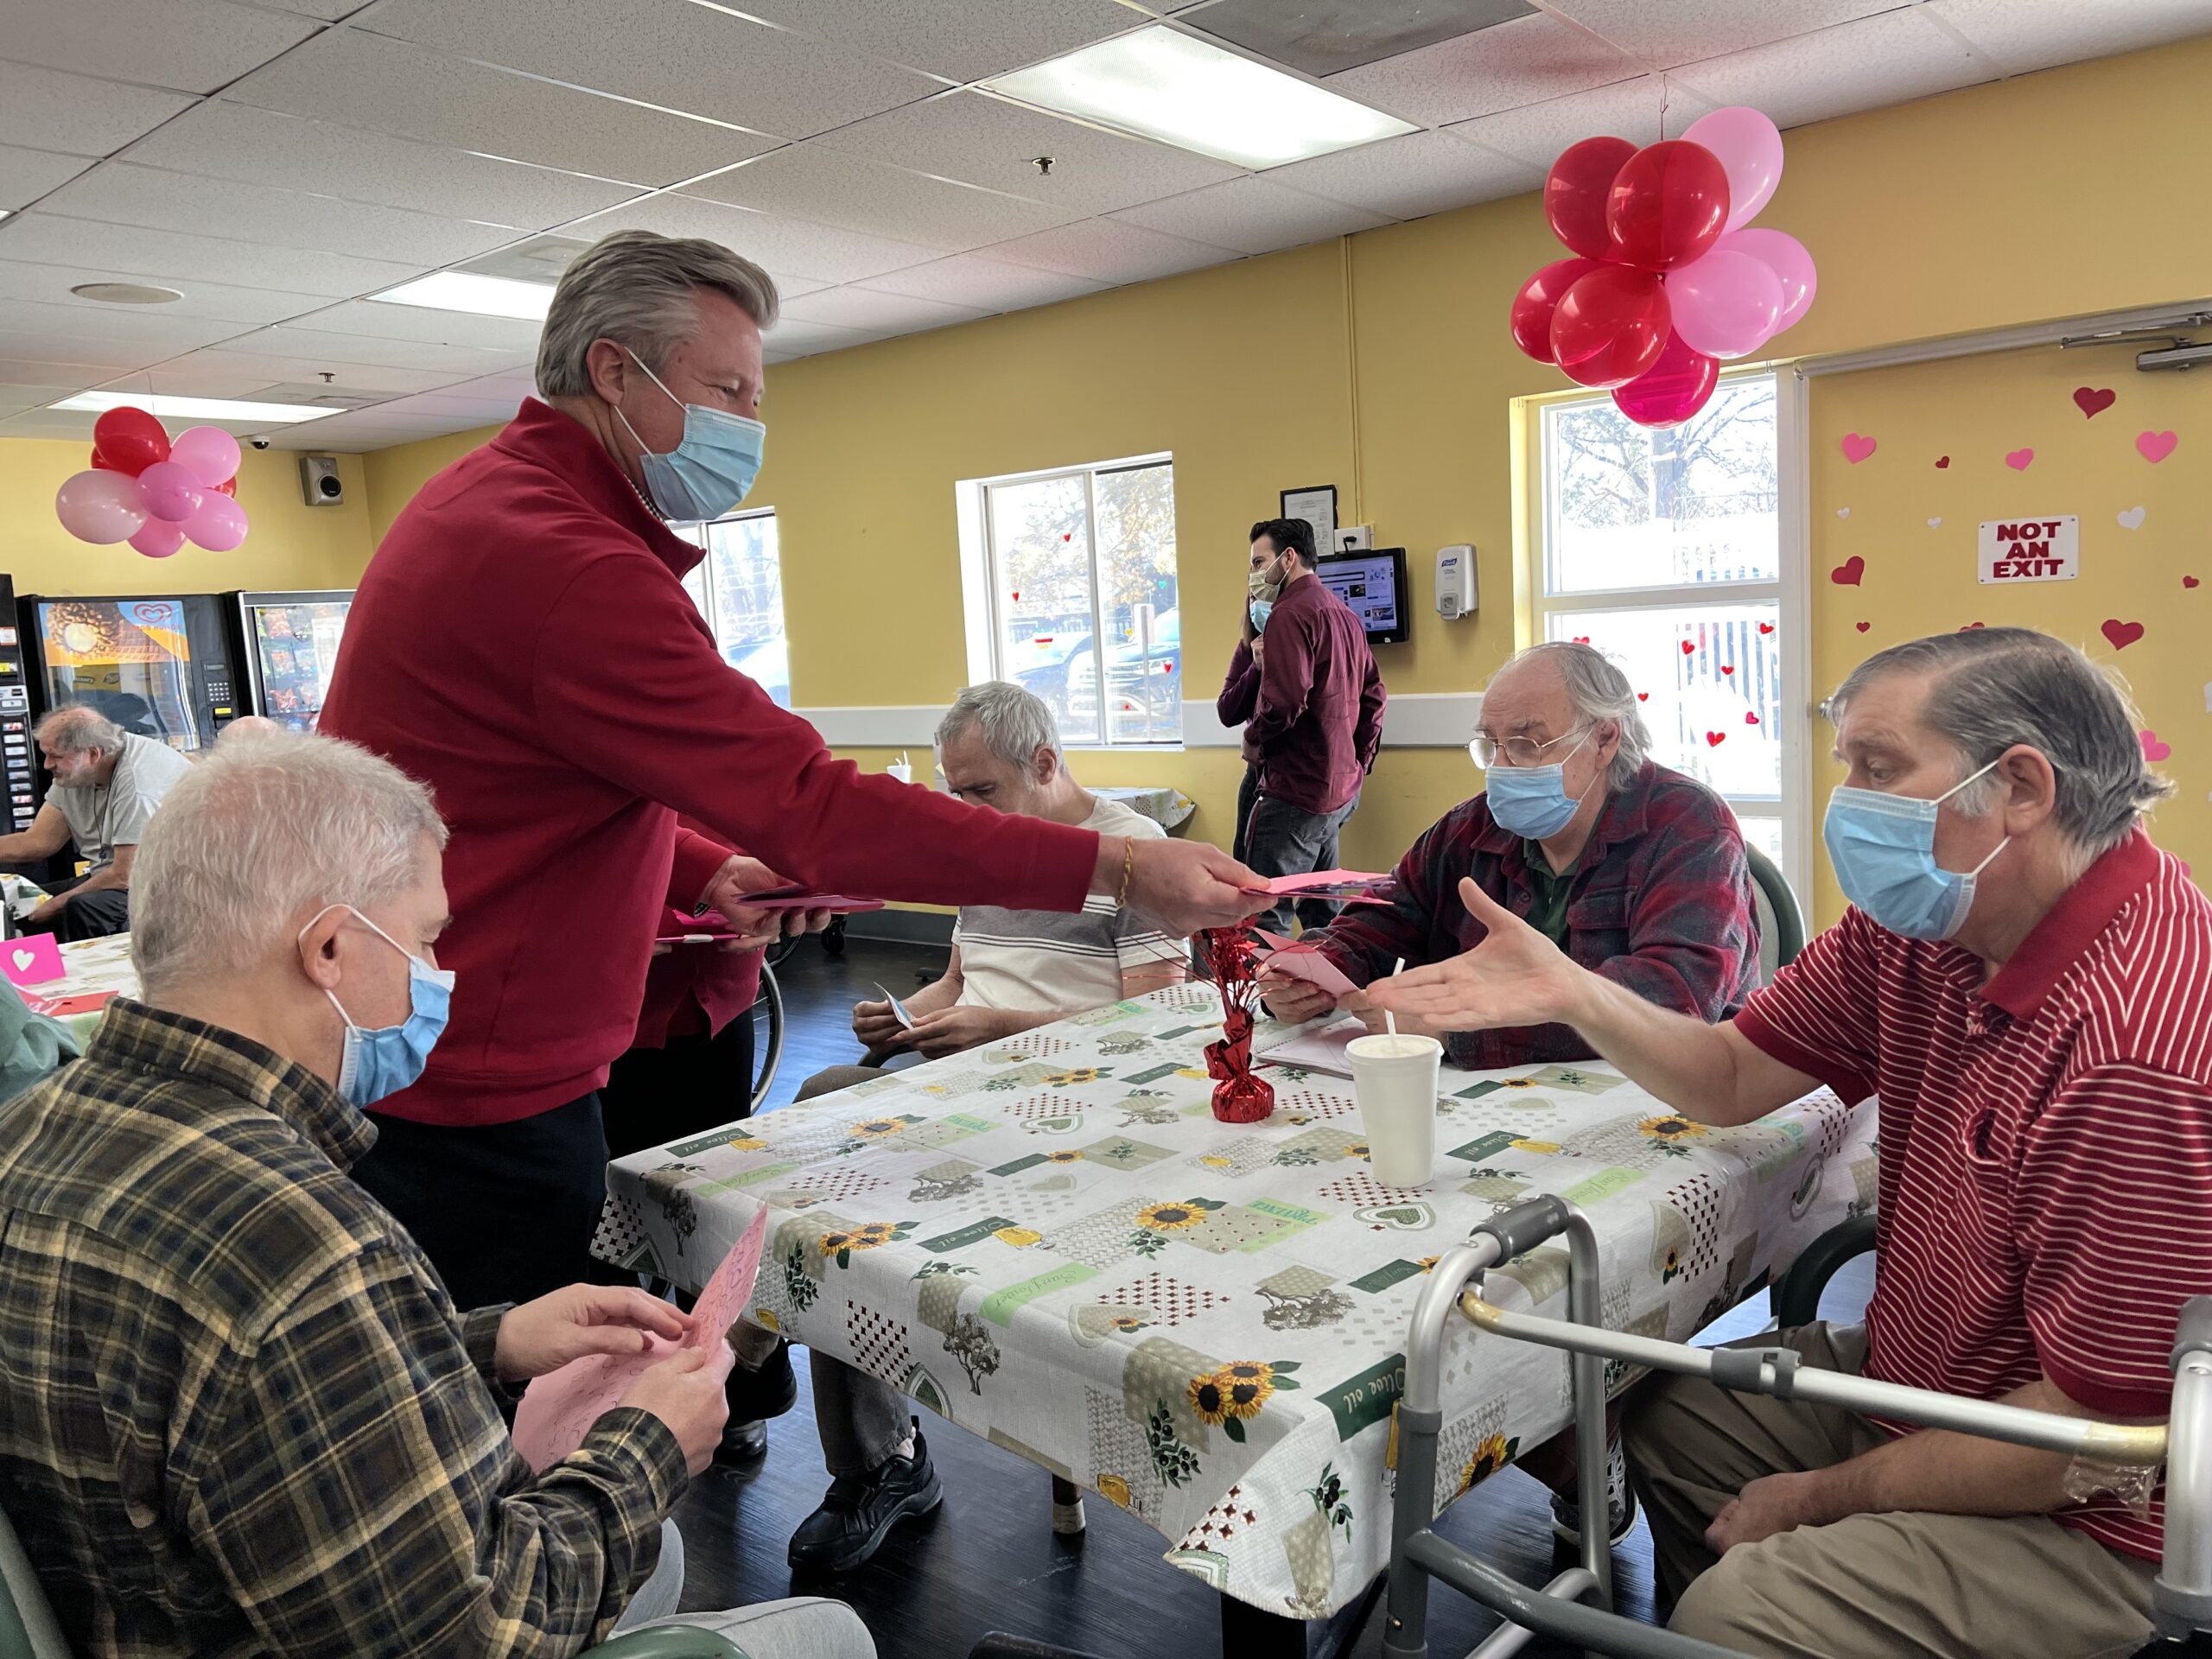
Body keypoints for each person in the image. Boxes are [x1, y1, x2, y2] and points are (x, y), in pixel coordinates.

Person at [319, 228, 1260, 1313]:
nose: (751, 427)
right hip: (475, 1078)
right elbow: (813, 809)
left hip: (425, 1036)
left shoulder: (475, 506)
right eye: (727, 391)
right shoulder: (564, 559)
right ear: (613, 371)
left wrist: (704, 870)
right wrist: (1124, 869)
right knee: (526, 1403)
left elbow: (518, 787)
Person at [1369, 627, 2212, 1659]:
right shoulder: (1923, 926)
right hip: (1939, 1386)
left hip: (2102, 1507)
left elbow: (2098, 1436)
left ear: (2022, 787)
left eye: (1879, 767)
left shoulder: (2135, 1047)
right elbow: (1727, 1079)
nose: (1846, 801)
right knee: (1661, 1410)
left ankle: (1758, 1618)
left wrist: (1818, 1500)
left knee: (1739, 1611)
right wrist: (1574, 990)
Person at [0, 730, 874, 1659]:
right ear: (330, 946)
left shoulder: (33, 1132)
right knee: (827, 1634)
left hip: (140, 1605)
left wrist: (484, 1340)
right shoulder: (298, 1241)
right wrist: (649, 1443)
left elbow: (235, 1389)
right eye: (424, 939)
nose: (436, 975)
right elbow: (482, 1632)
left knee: (646, 1560)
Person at [777, 681, 1188, 1574]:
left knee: (834, 1137)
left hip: (1088, 1119)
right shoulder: (987, 852)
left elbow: (1157, 1034)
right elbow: (961, 983)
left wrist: (996, 1033)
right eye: (953, 794)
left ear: (1044, 765)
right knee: (826, 1110)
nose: (964, 815)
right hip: (970, 1088)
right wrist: (904, 1014)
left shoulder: (1135, 852)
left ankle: (768, 1362)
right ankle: (873, 1456)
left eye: (980, 794)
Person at [1262, 641, 1759, 1071]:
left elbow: (1677, 998)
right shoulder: (1470, 828)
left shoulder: (1689, 826)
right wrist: (1312, 973)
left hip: (1667, 1101)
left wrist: (1458, 1028)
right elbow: (1385, 918)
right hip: (1499, 1102)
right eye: (1491, 744)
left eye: (1526, 743)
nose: (1501, 768)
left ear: (1605, 739)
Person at [1224, 518, 1385, 931]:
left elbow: (1285, 701)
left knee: (1265, 919)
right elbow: (1375, 696)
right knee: (1322, 914)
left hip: (1294, 795)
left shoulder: (1288, 614)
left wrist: (1254, 738)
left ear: (1288, 558)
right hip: (1338, 795)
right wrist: (1359, 762)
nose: (1254, 576)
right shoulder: (1345, 615)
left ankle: (1264, 1000)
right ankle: (1326, 996)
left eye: (1260, 563)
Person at [0, 705, 190, 940]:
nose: (47, 764)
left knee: (83, 908)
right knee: (14, 905)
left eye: (56, 756)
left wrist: (56, 904)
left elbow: (126, 874)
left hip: (167, 886)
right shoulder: (76, 773)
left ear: (93, 753)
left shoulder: (138, 783)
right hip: (111, 874)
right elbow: (38, 841)